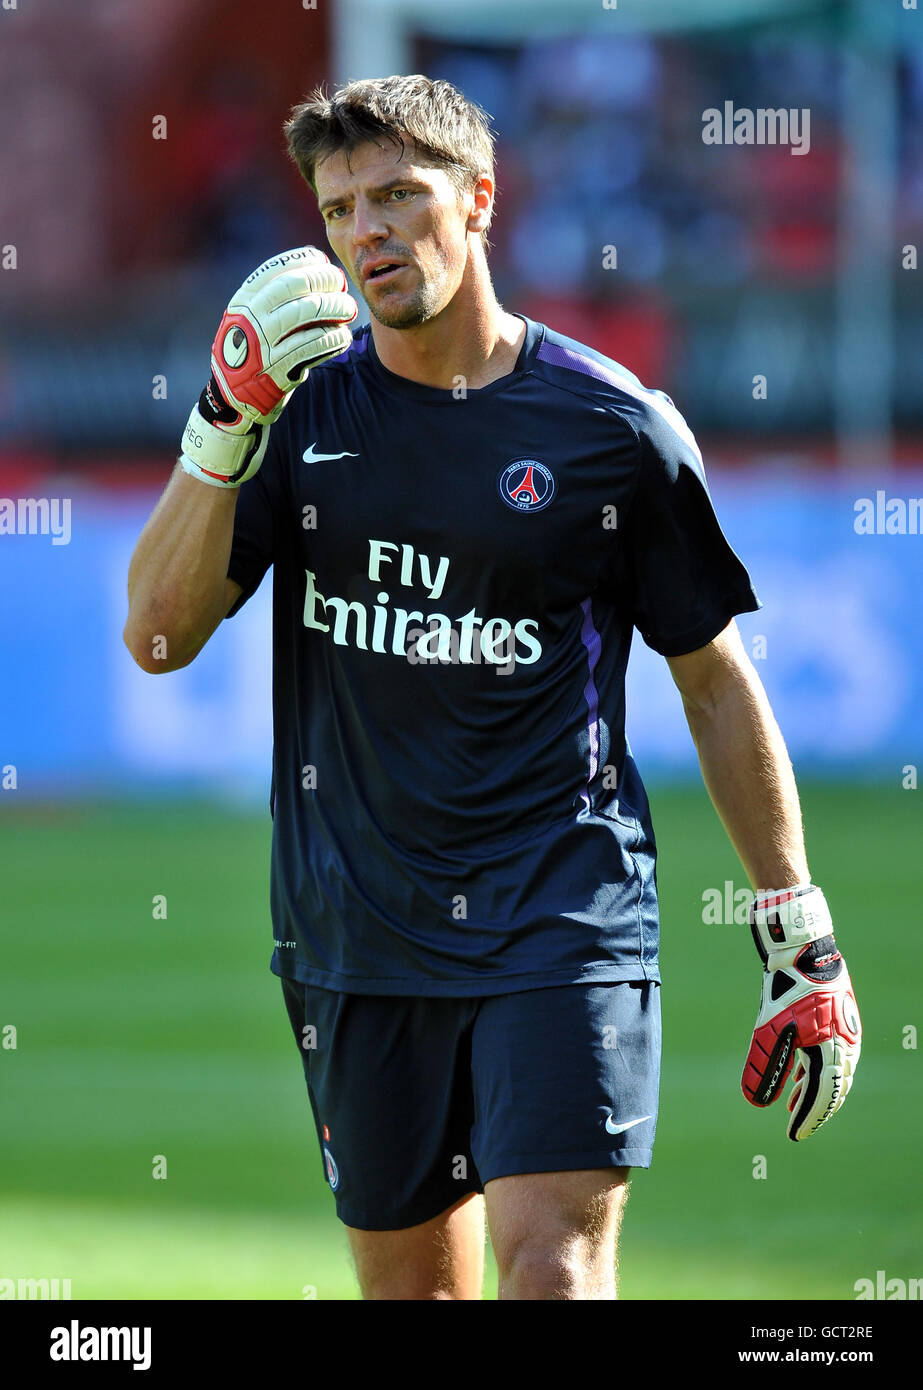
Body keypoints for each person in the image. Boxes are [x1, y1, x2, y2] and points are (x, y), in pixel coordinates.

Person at [123, 74, 861, 1301]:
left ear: (478, 203)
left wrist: (796, 927)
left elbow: (714, 681)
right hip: (354, 934)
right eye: (339, 204)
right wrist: (218, 424)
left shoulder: (612, 427)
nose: (366, 230)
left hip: (560, 916)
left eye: (399, 195)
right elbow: (156, 636)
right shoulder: (296, 419)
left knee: (553, 1275)